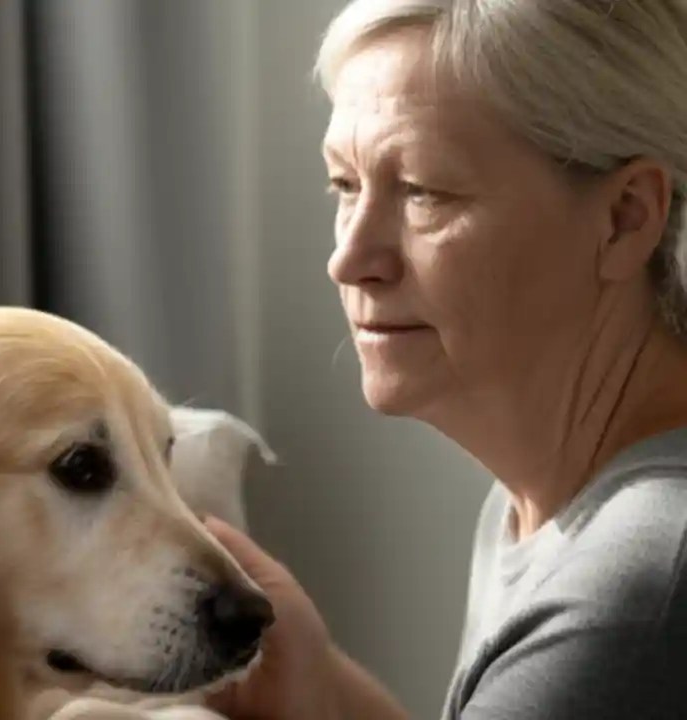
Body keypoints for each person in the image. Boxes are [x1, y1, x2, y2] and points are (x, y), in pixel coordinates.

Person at [204, 1, 687, 719]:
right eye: (345, 185)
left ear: (624, 218)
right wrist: (320, 690)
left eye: (423, 191)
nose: (348, 259)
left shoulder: (630, 591)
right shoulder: (535, 503)